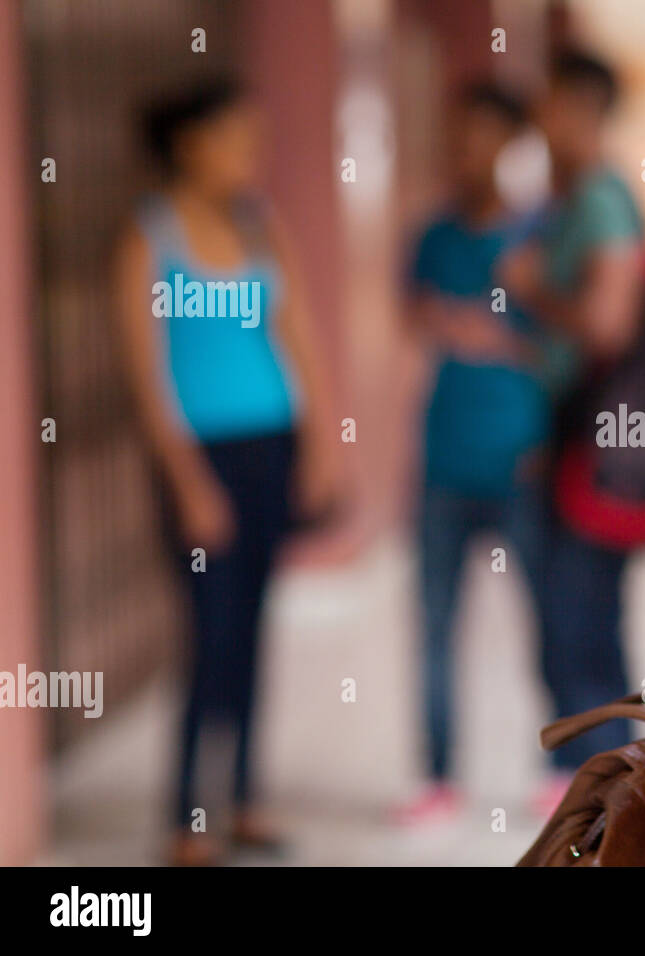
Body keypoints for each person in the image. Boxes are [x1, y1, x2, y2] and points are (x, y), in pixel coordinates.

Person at [113, 77, 339, 865]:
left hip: (270, 449)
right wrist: (186, 482)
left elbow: (298, 335)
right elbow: (148, 380)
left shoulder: (258, 226)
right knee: (208, 634)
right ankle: (186, 817)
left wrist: (317, 444)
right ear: (189, 144)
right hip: (198, 460)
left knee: (252, 630)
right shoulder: (151, 237)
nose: (251, 155)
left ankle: (244, 800)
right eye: (235, 139)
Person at [397, 83, 562, 822]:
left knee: (546, 617)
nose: (468, 151)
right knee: (433, 627)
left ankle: (558, 767)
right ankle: (437, 779)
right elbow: (415, 316)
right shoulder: (433, 236)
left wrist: (500, 331)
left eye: (484, 136)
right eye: (458, 135)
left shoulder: (541, 235)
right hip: (442, 464)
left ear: (510, 145)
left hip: (523, 461)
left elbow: (569, 338)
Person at [497, 50, 645, 797]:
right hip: (576, 436)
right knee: (581, 608)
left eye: (553, 104)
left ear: (583, 111)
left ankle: (600, 779)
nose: (541, 121)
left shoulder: (599, 200)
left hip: (597, 441)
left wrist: (531, 291)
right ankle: (601, 774)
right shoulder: (569, 198)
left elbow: (608, 324)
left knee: (581, 611)